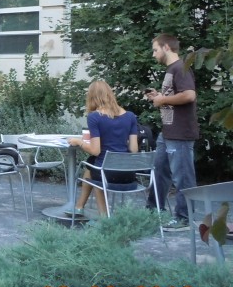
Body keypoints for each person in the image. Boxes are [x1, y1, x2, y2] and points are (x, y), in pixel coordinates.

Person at [145, 33, 199, 232]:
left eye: (155, 49)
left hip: (180, 134)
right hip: (167, 133)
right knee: (159, 172)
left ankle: (184, 218)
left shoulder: (180, 68)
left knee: (182, 177)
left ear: (166, 47)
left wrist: (163, 100)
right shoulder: (171, 70)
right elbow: (174, 97)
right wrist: (158, 97)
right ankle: (152, 212)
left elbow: (189, 95)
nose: (153, 54)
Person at [67, 80, 139, 217]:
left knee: (95, 168)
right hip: (128, 174)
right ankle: (79, 207)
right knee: (91, 165)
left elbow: (96, 150)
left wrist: (79, 142)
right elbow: (134, 149)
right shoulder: (130, 116)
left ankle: (103, 216)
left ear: (92, 97)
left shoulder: (95, 117)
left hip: (106, 174)